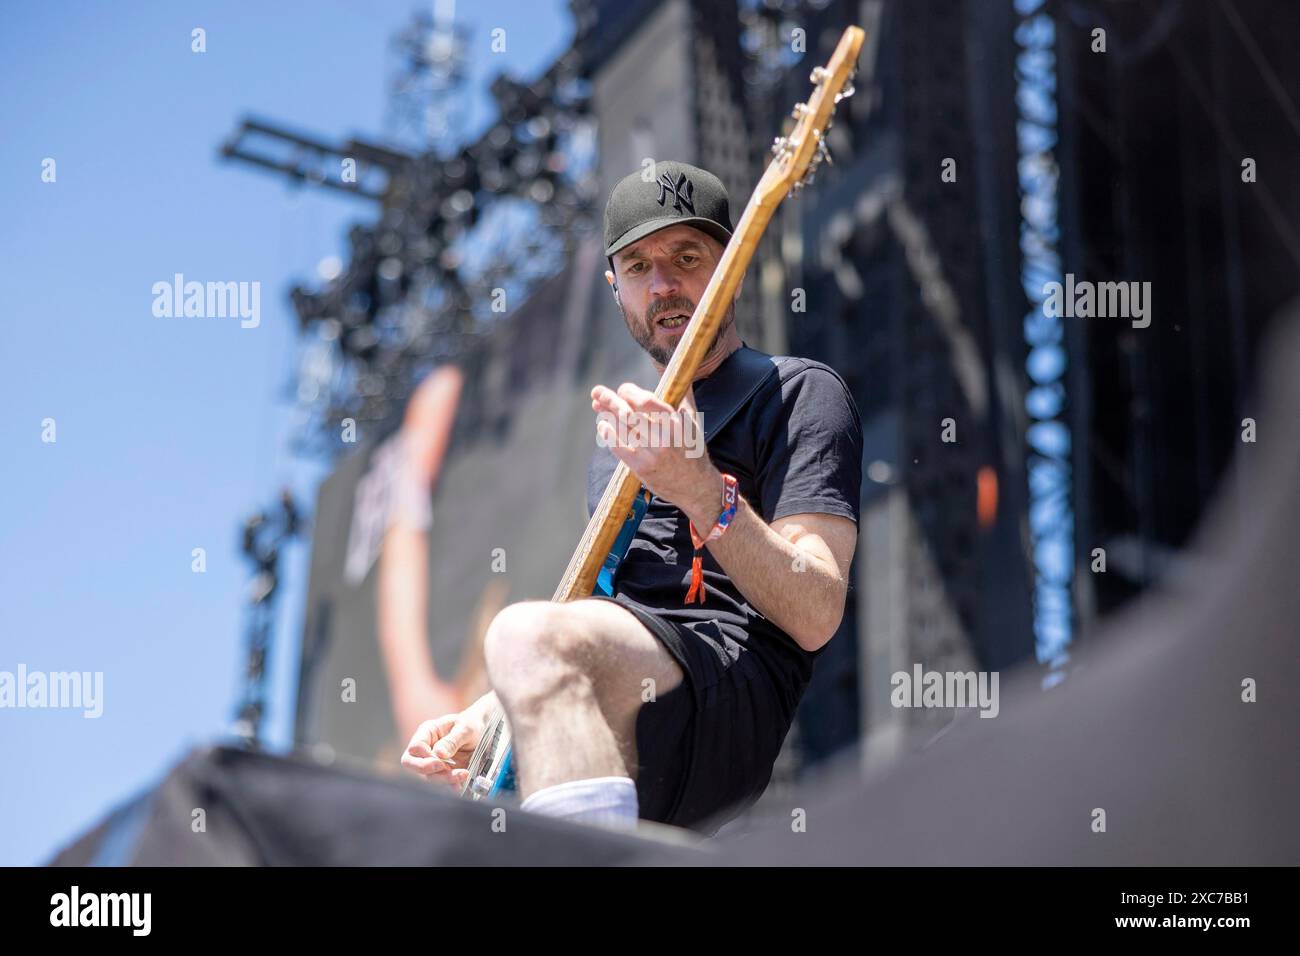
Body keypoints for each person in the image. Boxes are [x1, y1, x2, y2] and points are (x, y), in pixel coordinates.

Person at [401, 161, 863, 834]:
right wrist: (490, 718)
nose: (666, 285)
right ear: (615, 289)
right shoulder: (618, 451)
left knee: (519, 632)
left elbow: (818, 609)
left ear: (728, 267)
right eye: (640, 268)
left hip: (730, 695)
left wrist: (704, 492)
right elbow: (601, 620)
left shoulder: (798, 393)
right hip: (645, 710)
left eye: (686, 257)